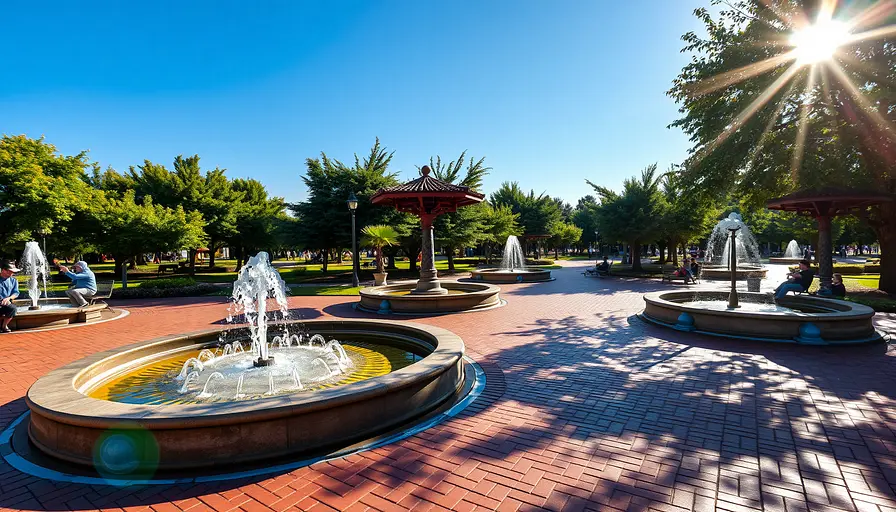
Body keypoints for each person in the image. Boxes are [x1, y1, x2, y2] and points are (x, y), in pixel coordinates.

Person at [0, 261, 21, 333]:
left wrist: (9, 298)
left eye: (12, 272)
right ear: (3, 270)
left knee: (12, 308)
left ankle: (4, 326)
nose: (12, 273)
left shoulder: (14, 281)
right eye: (10, 271)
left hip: (6, 302)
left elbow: (16, 293)